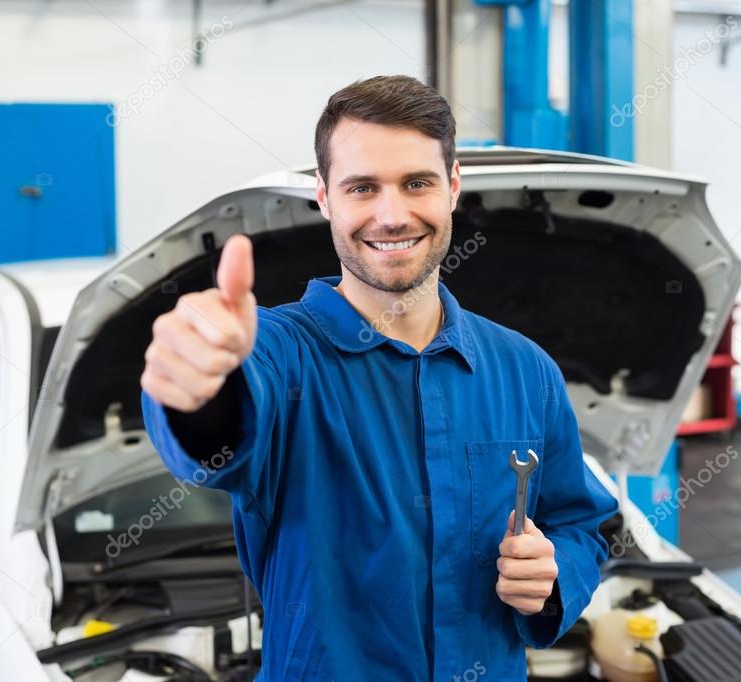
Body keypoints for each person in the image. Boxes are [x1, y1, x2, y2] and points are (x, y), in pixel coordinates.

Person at [141, 74, 618, 681]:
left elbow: (582, 523)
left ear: (452, 187)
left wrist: (553, 576)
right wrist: (197, 389)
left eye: (416, 183)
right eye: (362, 187)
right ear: (324, 197)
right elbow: (222, 426)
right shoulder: (281, 354)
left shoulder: (525, 371)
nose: (392, 215)